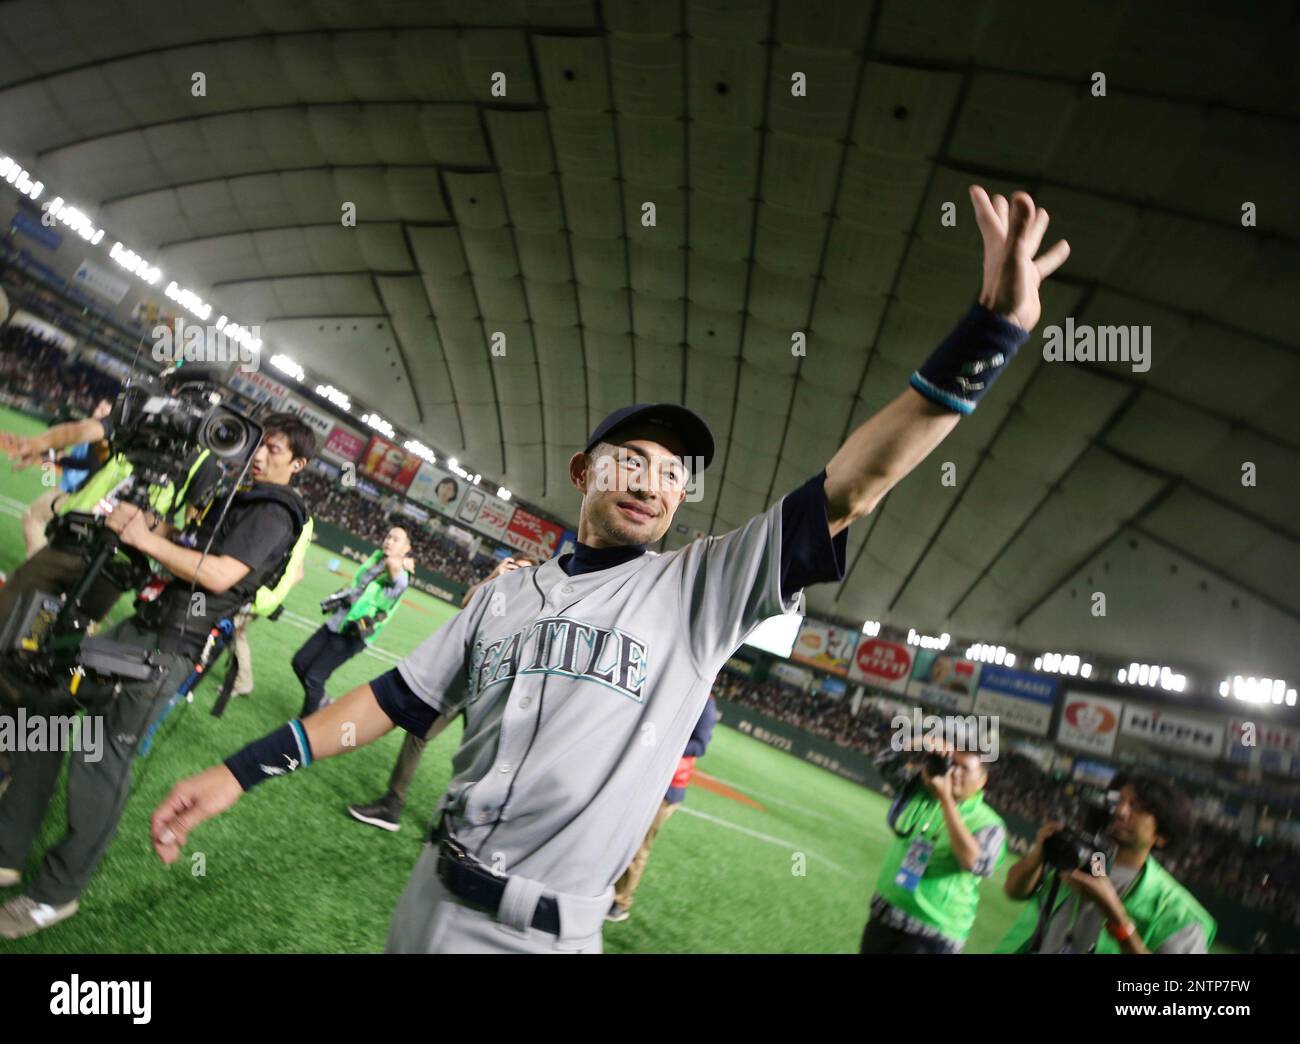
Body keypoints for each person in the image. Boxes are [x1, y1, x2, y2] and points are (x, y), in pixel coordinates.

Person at [150, 186, 1070, 954]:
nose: (656, 481)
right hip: (429, 900)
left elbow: (852, 486)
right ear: (586, 473)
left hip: (546, 936)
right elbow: (391, 703)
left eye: (676, 473)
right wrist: (238, 773)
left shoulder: (703, 590)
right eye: (634, 458)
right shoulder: (505, 594)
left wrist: (988, 333)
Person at [0, 413, 316, 938]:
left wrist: (146, 540)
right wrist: (146, 527)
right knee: (44, 709)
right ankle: (8, 848)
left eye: (276, 450)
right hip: (138, 627)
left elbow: (218, 574)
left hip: (168, 648)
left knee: (99, 757)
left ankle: (54, 896)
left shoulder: (277, 511)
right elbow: (184, 547)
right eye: (259, 444)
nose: (260, 455)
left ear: (297, 464)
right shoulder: (234, 492)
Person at [347, 554, 535, 832]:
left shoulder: (532, 606)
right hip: (461, 683)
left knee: (479, 757)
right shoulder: (496, 590)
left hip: (491, 692)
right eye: (514, 567)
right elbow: (467, 603)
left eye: (523, 571)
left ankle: (452, 822)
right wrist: (495, 575)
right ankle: (394, 806)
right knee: (419, 734)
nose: (516, 573)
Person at [995, 772, 1217, 954]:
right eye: (1119, 801)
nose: (1120, 811)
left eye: (1137, 807)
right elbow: (1014, 891)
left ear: (1162, 836)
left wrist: (1114, 912)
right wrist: (1039, 852)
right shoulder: (1075, 854)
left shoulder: (1180, 914)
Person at [859, 747, 1006, 953]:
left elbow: (975, 863)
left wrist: (946, 800)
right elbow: (882, 762)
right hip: (887, 911)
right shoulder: (922, 791)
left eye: (965, 768)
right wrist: (918, 744)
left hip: (932, 931)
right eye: (952, 764)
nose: (955, 772)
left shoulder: (989, 823)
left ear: (982, 780)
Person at [607, 695, 718, 922]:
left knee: (638, 845)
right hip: (644, 775)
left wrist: (664, 741)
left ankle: (620, 902)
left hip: (667, 787)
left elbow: (701, 744)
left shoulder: (705, 701)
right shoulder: (675, 686)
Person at [291, 526, 412, 717]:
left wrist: (401, 560)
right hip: (339, 620)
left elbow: (396, 573)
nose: (388, 541)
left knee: (315, 677)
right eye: (388, 536)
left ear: (406, 547)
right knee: (299, 662)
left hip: (355, 632)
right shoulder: (377, 560)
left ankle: (307, 723)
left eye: (395, 539)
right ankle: (322, 702)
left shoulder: (400, 575)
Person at [21, 397, 114, 558]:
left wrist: (62, 459)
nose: (99, 412)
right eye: (99, 407)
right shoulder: (90, 427)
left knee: (31, 518)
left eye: (105, 411)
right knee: (58, 537)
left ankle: (39, 566)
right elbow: (59, 424)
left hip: (73, 492)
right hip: (75, 492)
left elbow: (92, 464)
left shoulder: (102, 438)